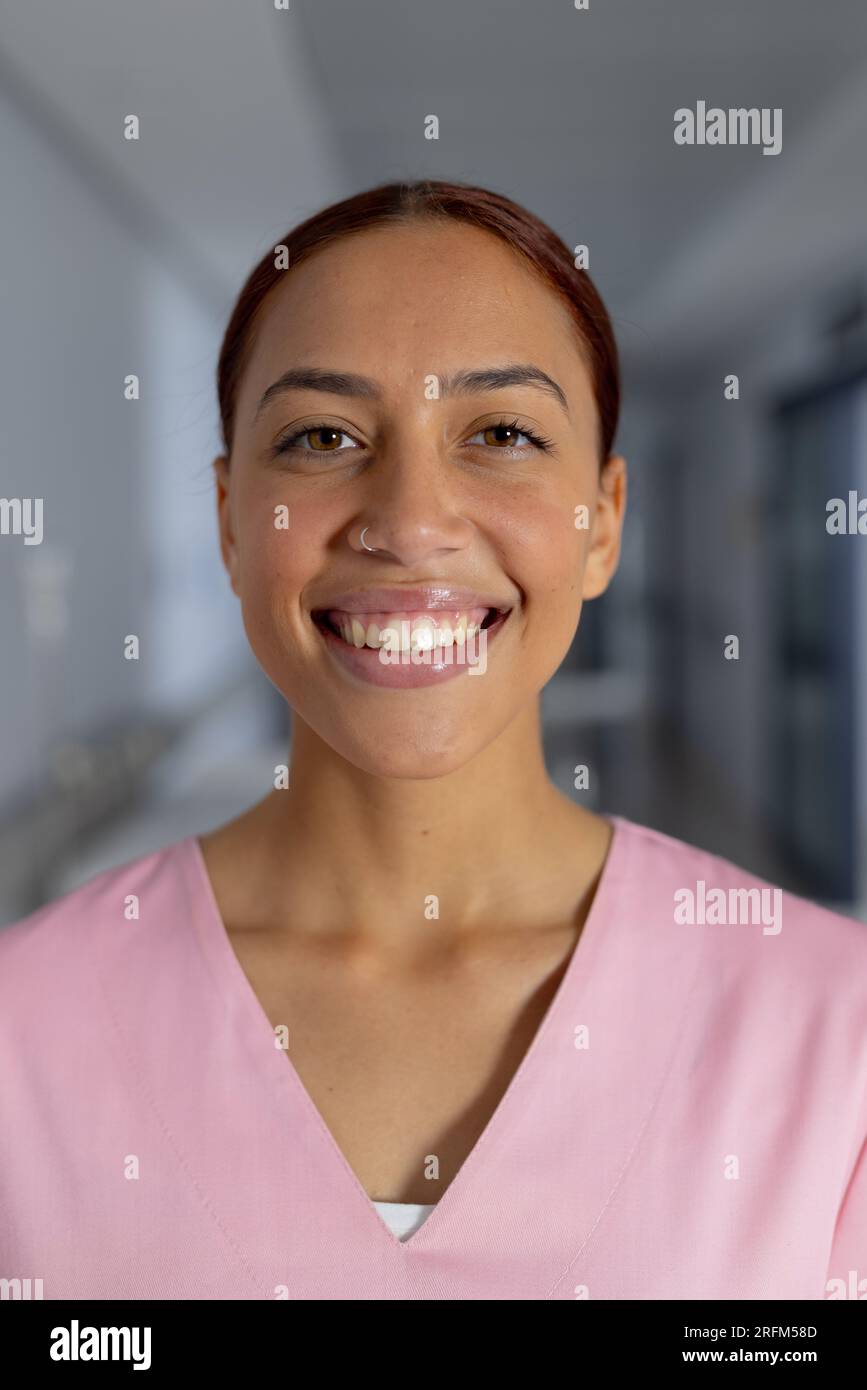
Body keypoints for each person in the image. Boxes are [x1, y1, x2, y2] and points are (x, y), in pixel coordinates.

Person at [1, 180, 864, 1301]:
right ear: (228, 520)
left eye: (501, 433)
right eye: (323, 436)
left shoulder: (833, 1039)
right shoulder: (26, 1035)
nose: (410, 522)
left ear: (601, 521)